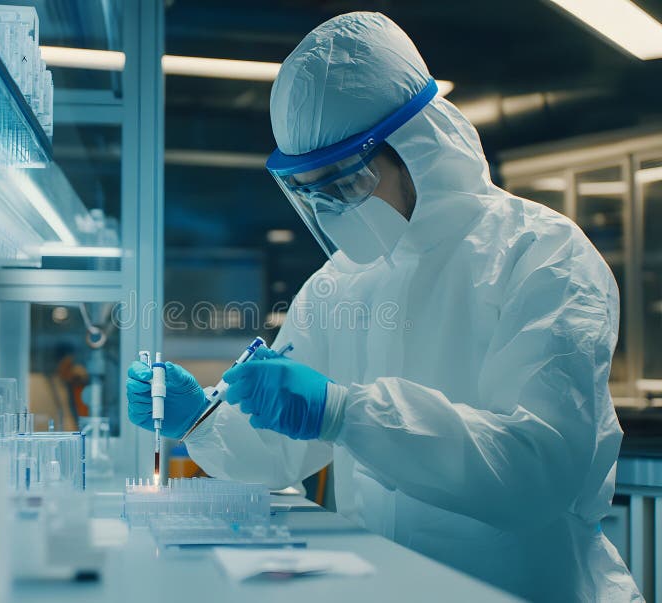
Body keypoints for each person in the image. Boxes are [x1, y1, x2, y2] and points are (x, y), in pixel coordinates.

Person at [127, 12, 641, 601]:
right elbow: (284, 451)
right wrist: (203, 419)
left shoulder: (542, 255)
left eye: (345, 182)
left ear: (418, 149)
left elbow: (536, 474)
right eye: (313, 191)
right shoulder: (339, 284)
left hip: (525, 587)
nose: (332, 208)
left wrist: (346, 412)